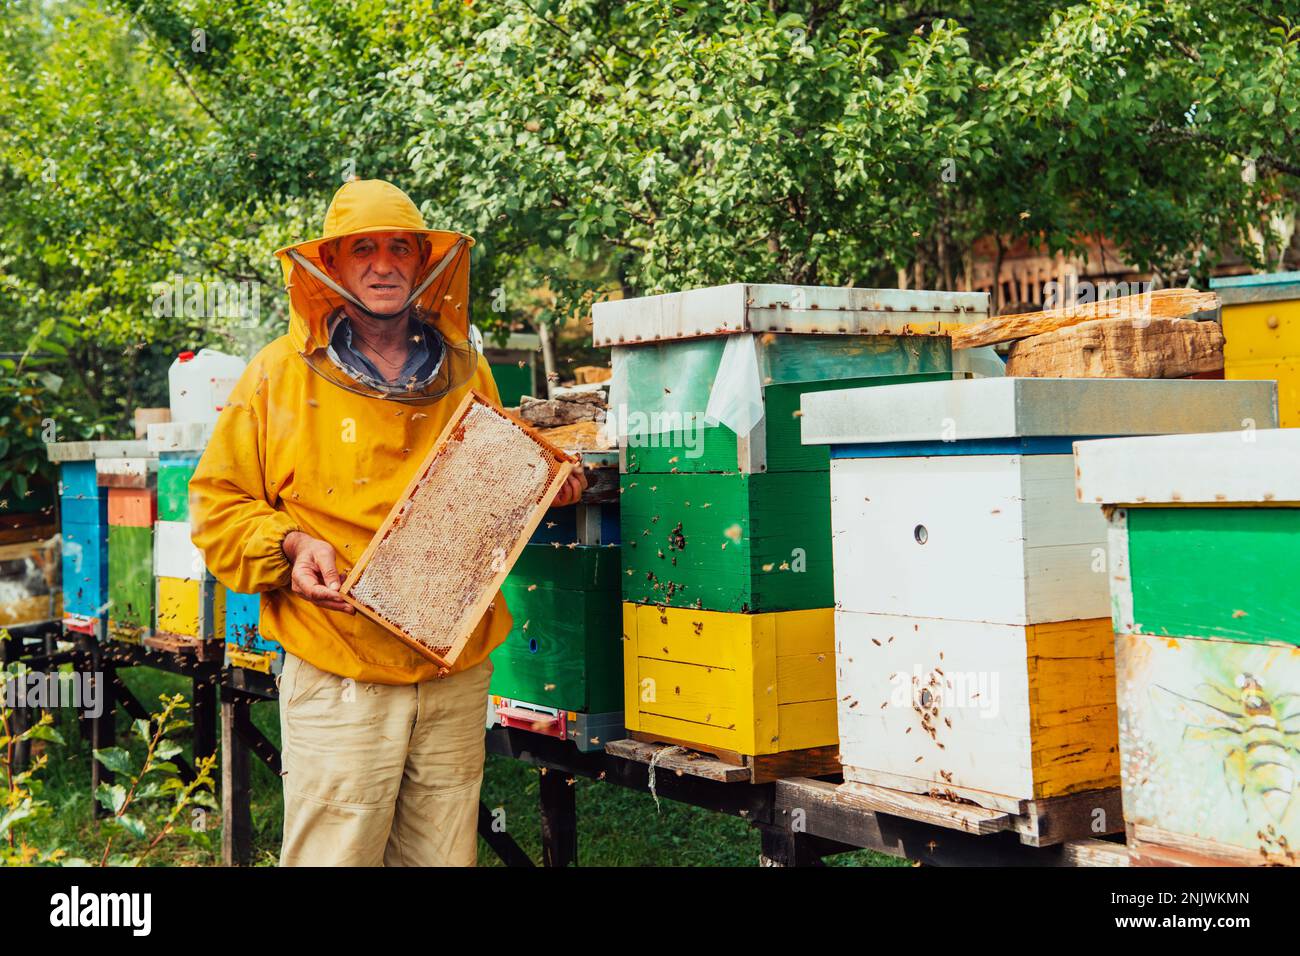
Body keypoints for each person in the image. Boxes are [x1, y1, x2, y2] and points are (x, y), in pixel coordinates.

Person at [190, 179, 584, 866]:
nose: (382, 264)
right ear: (332, 268)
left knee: (442, 855)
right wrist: (288, 542)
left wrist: (547, 484)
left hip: (451, 670)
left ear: (423, 261)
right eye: (362, 249)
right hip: (340, 664)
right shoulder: (278, 376)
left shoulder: (465, 367)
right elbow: (217, 504)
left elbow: (495, 473)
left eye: (399, 247)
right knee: (335, 855)